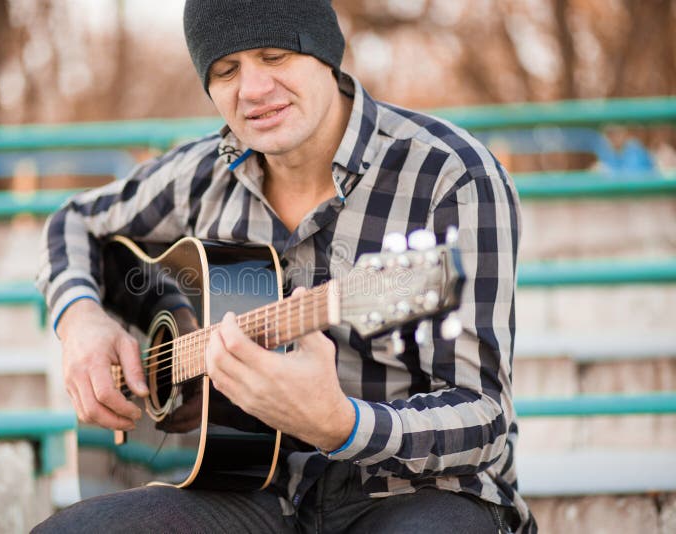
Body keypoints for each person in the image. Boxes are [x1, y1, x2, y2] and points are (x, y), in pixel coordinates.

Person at [33, 0, 536, 532]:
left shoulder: (452, 176)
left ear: (326, 54)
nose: (252, 90)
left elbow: (484, 419)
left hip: (413, 493)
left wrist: (344, 425)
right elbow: (72, 222)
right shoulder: (204, 174)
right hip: (243, 487)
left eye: (275, 56)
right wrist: (80, 319)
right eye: (226, 71)